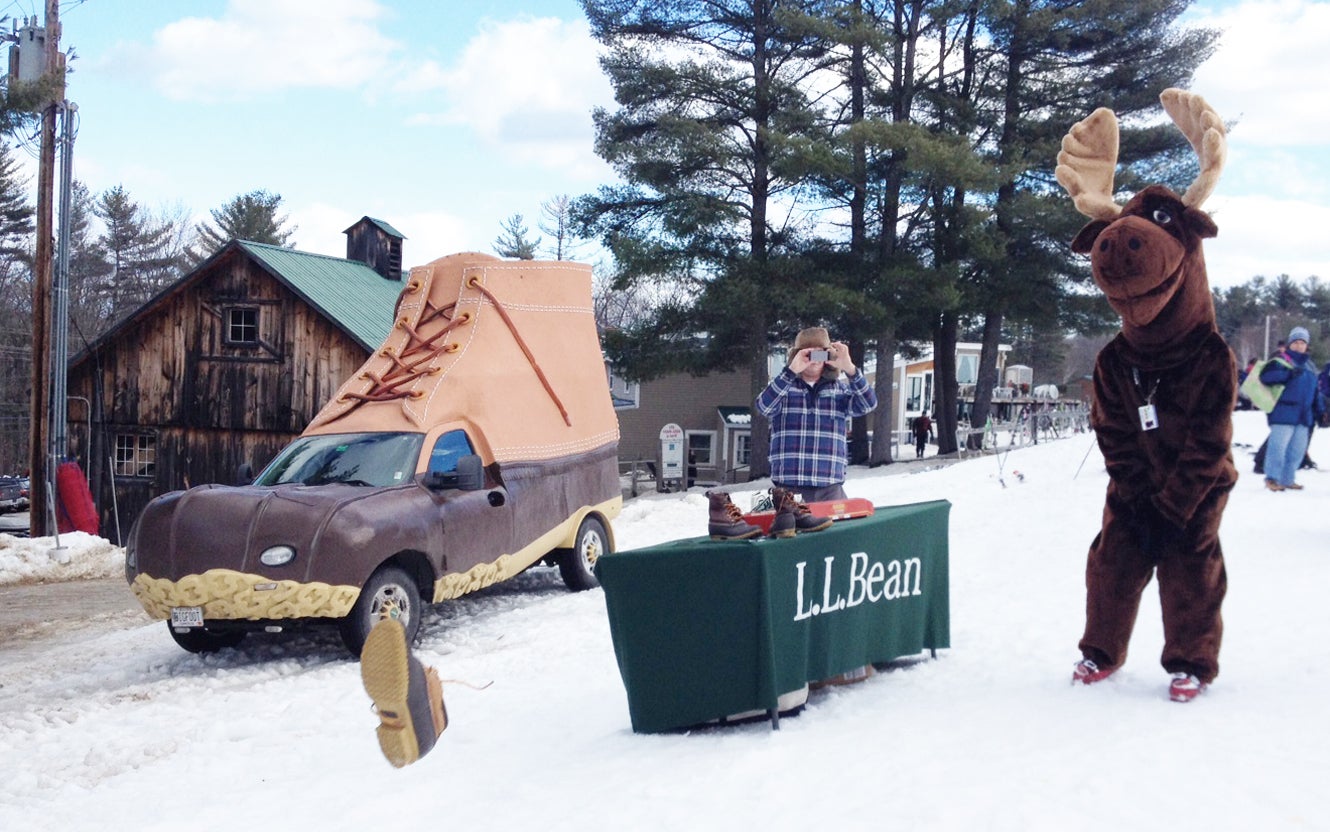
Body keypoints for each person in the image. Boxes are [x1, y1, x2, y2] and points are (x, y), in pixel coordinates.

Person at [756, 326, 876, 502]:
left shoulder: (840, 390)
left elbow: (868, 404)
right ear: (796, 356)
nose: (814, 359)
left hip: (830, 487)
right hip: (788, 489)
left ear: (828, 357)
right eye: (808, 354)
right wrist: (790, 372)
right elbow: (763, 406)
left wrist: (849, 369)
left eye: (820, 354)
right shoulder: (783, 389)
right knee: (787, 530)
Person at [1258, 326, 1324, 492]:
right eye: (1296, 342)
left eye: (1302, 342)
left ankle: (1288, 479)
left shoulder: (1310, 365)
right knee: (1278, 448)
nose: (1299, 345)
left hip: (1304, 416)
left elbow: (1315, 391)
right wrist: (1288, 374)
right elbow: (1265, 377)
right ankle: (1272, 478)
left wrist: (1321, 410)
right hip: (1284, 412)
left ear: (1306, 345)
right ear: (1290, 343)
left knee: (1297, 451)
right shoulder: (1282, 360)